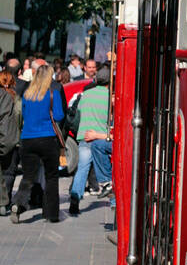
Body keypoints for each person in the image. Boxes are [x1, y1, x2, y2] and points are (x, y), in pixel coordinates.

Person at [11, 63, 68, 223]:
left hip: (28, 138)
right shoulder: (53, 93)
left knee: (28, 176)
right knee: (51, 177)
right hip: (47, 138)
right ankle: (51, 214)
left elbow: (24, 115)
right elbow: (58, 115)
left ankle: (17, 204)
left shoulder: (27, 94)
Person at [66, 64, 112, 216]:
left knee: (82, 168)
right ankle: (113, 201)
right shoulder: (110, 98)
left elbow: (78, 114)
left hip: (85, 137)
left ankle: (75, 197)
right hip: (101, 138)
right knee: (106, 168)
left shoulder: (86, 95)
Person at [0, 68, 21, 216]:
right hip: (13, 138)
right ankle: (5, 203)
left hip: (3, 136)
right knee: (9, 171)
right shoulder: (17, 96)